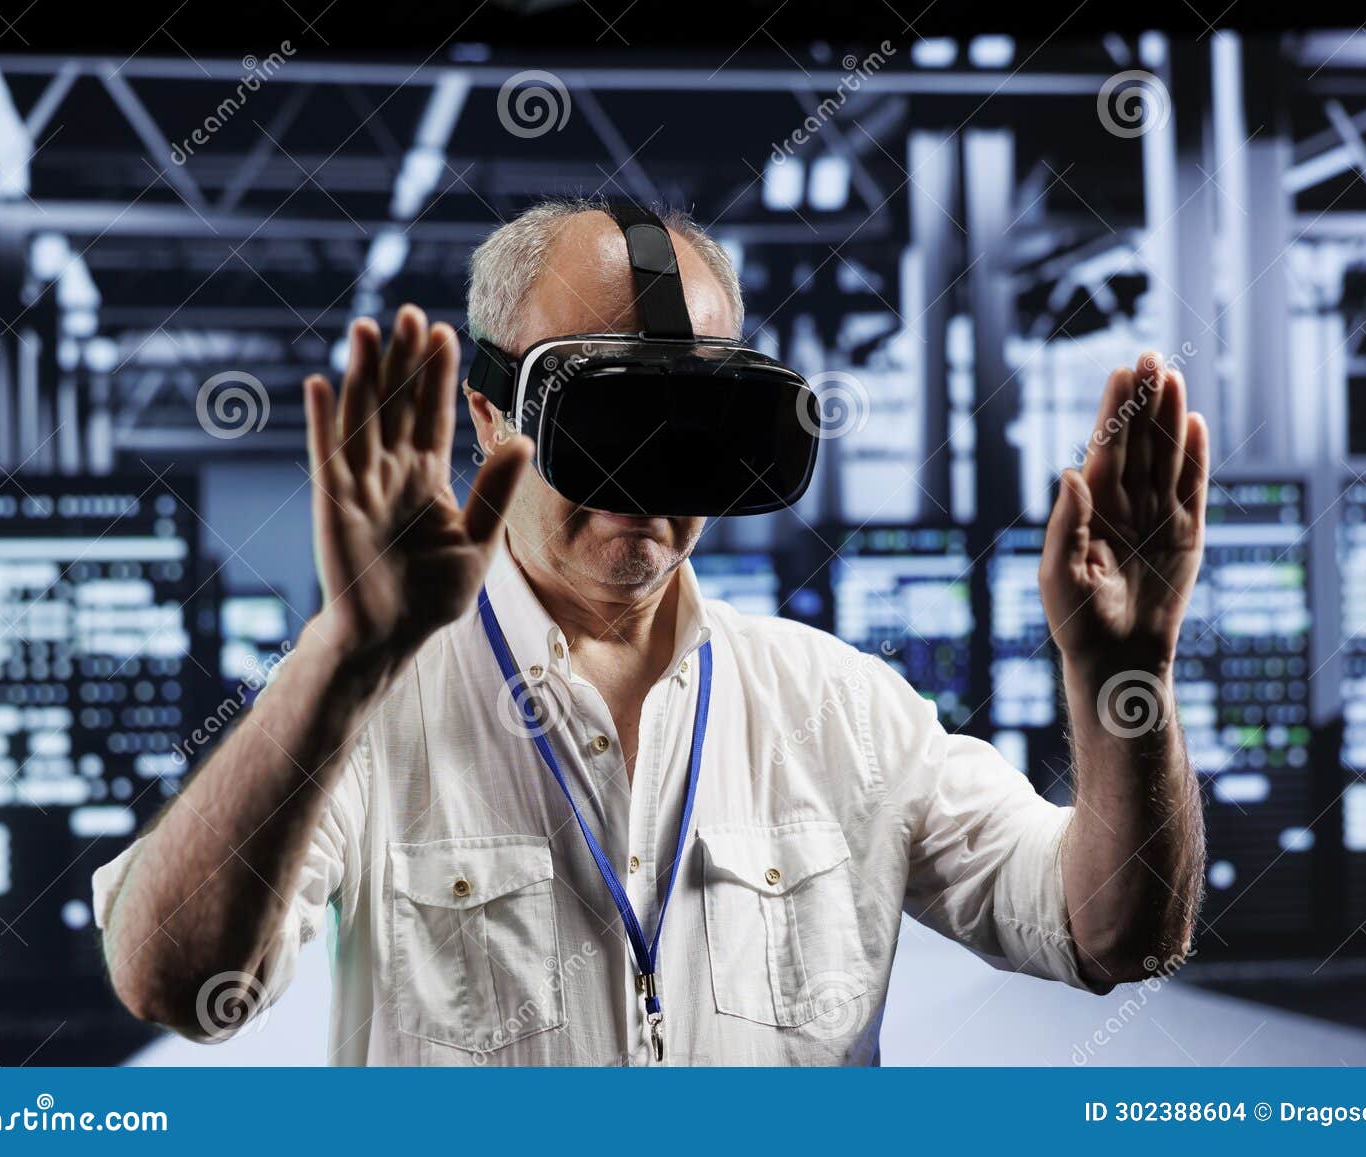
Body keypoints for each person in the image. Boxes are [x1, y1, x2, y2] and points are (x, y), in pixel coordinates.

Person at [93, 197, 1206, 1065]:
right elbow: (177, 983)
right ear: (489, 413)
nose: (647, 477)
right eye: (606, 415)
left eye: (695, 424)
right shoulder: (369, 705)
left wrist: (1126, 681)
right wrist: (341, 662)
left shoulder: (841, 708)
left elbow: (1107, 932)